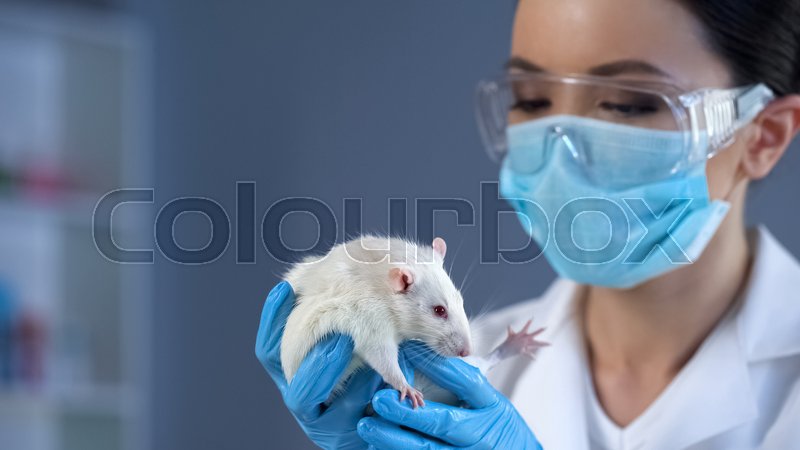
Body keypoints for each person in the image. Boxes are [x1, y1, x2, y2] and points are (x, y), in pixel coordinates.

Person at [256, 0, 800, 448]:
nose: (559, 152)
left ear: (763, 136)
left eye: (628, 104)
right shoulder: (461, 361)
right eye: (532, 100)